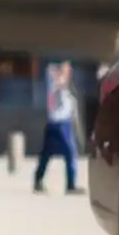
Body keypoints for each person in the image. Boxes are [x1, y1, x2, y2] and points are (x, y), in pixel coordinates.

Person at [33, 62, 86, 195]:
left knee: (47, 154)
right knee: (69, 154)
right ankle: (70, 185)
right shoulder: (57, 88)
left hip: (58, 123)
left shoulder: (66, 92)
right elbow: (53, 75)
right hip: (61, 124)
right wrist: (60, 73)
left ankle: (38, 180)